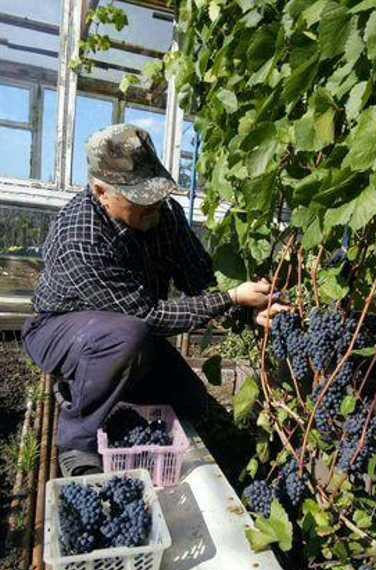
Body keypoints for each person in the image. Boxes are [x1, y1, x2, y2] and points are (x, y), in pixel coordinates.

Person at [22, 123, 286, 477]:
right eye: (141, 200)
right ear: (102, 192)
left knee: (191, 403)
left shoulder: (167, 217)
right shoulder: (80, 235)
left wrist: (247, 310)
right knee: (124, 338)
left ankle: (119, 386)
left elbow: (200, 279)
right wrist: (231, 298)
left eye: (157, 195)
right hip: (62, 331)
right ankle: (78, 440)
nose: (154, 207)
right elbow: (147, 315)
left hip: (131, 333)